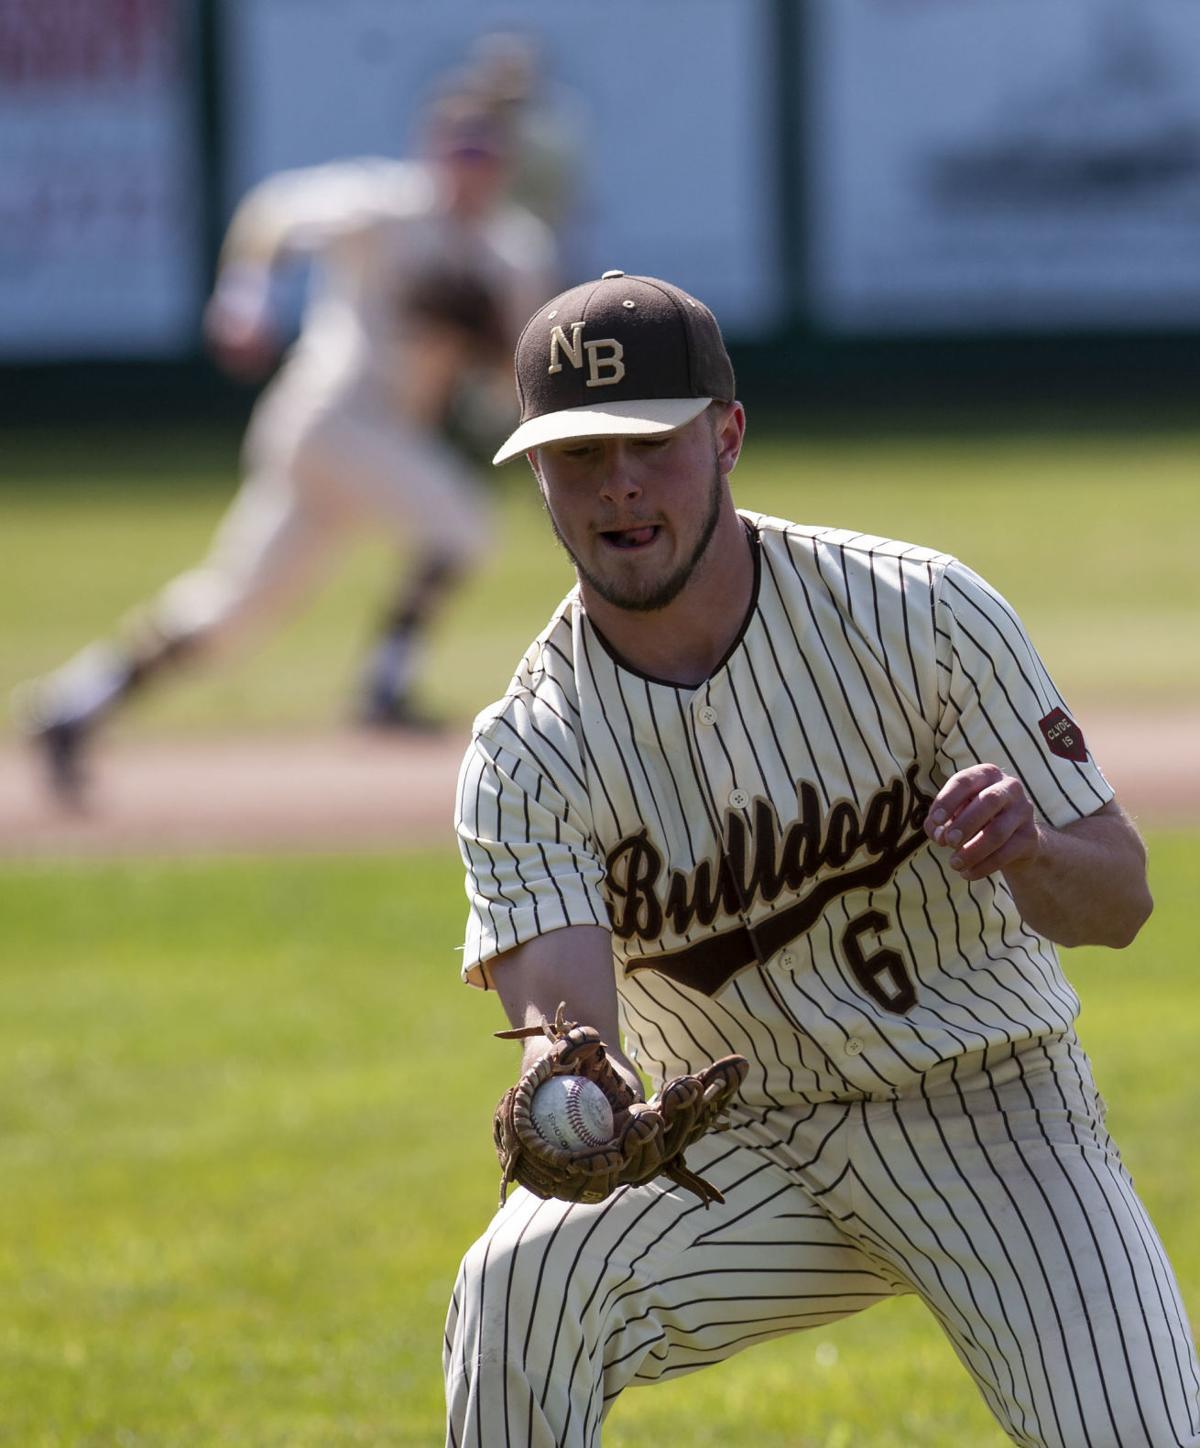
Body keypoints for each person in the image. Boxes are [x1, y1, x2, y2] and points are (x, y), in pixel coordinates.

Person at [443, 270, 1200, 1446]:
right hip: (733, 1147)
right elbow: (569, 1025)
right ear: (536, 471)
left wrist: (1032, 847)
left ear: (729, 435)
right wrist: (572, 1085)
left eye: (652, 441)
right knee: (519, 1283)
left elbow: (1122, 899)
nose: (620, 482)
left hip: (989, 1110)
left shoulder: (920, 614)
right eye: (580, 452)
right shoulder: (528, 750)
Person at [14, 92, 556, 805]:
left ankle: (72, 707)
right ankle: (384, 686)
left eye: (484, 154)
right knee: (465, 527)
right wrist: (243, 296)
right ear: (432, 149)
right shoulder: (389, 205)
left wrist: (486, 346)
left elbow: (513, 369)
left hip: (372, 441)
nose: (470, 167)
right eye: (459, 150)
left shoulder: (512, 251)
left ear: (506, 163)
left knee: (229, 614)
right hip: (328, 417)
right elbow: (275, 213)